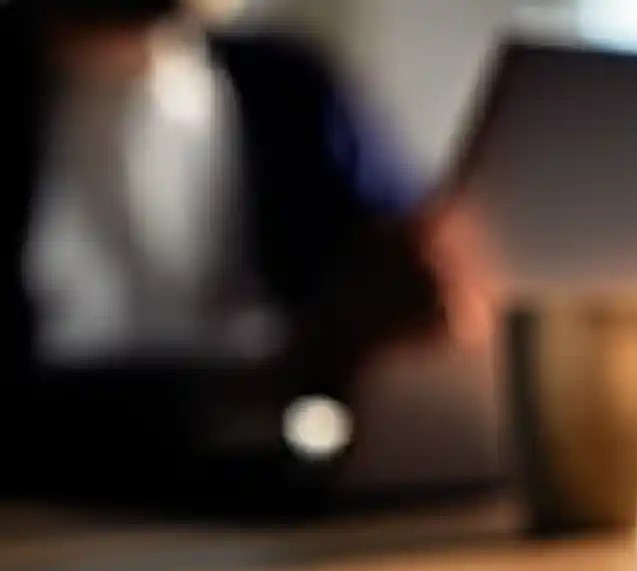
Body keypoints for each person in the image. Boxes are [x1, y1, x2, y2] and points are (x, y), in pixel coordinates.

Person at [0, 0, 497, 506]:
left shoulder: (284, 83)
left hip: (286, 494)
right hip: (49, 513)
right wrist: (269, 376)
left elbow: (405, 255)